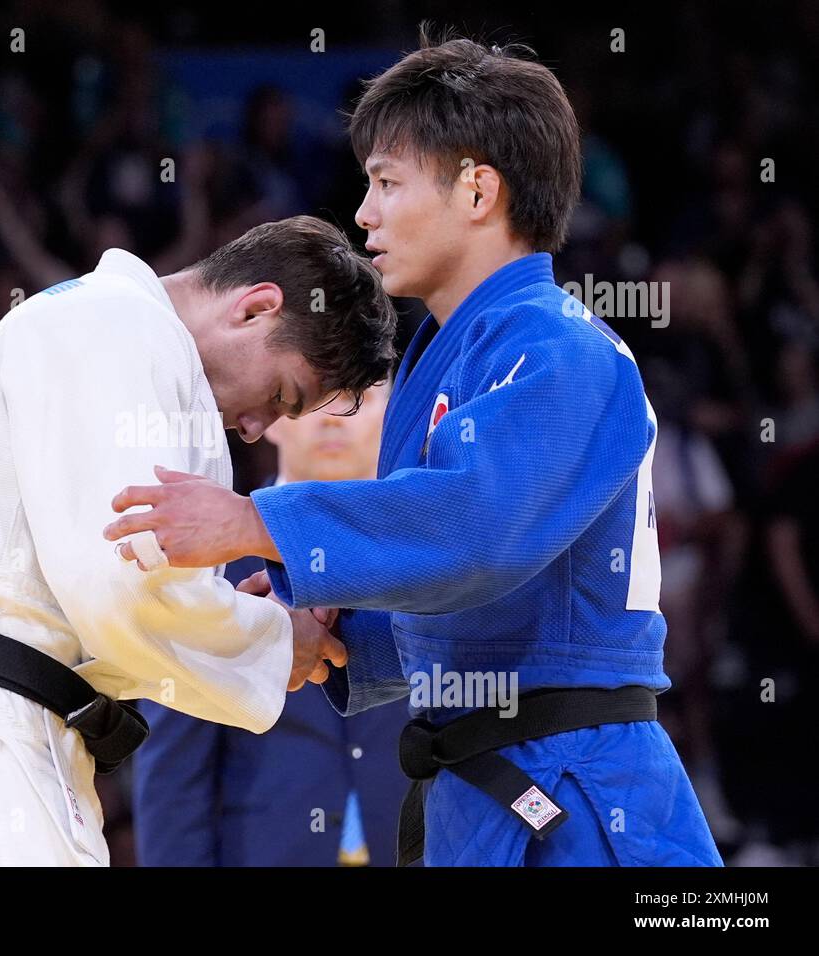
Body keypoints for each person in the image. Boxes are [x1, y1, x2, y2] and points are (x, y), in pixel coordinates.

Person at [103, 34, 723, 866]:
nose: (364, 213)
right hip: (479, 789)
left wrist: (256, 521)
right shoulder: (448, 356)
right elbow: (475, 610)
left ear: (477, 190)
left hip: (579, 792)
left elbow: (474, 530)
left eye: (388, 183)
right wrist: (336, 635)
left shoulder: (559, 348)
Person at [0, 215, 395, 866]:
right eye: (281, 395)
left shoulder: (91, 320)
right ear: (256, 308)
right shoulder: (123, 332)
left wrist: (235, 616)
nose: (256, 429)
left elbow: (107, 600)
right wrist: (279, 640)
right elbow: (122, 587)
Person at [134, 384, 410, 866]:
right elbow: (172, 767)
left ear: (395, 408)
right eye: (318, 396)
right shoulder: (209, 560)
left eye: (358, 398)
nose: (332, 418)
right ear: (274, 411)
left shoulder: (436, 553)